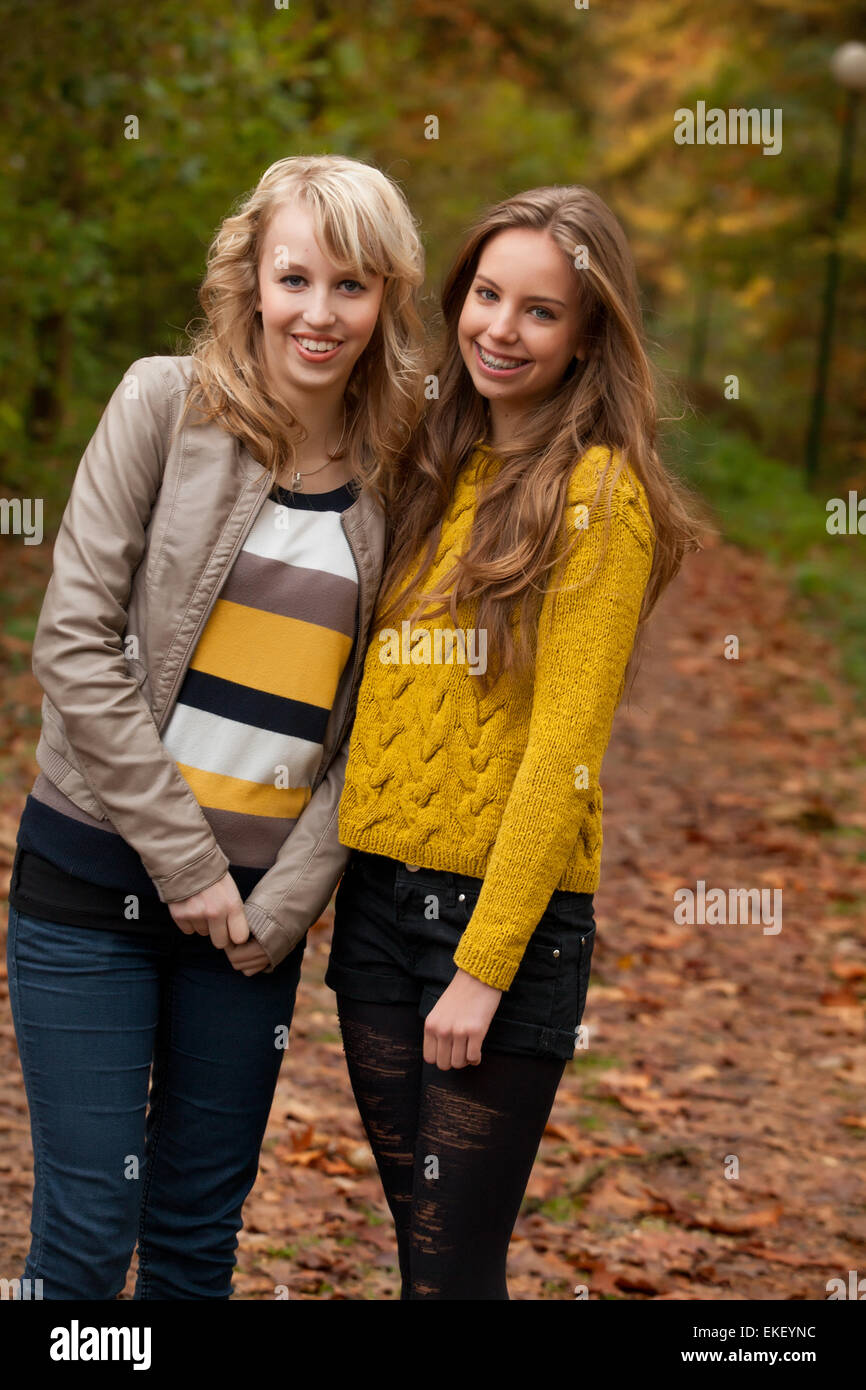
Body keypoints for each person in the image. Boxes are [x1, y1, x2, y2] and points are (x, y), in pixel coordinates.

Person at [6, 154, 425, 1299]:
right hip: (92, 889)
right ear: (250, 275)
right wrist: (189, 866)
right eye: (295, 277)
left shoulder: (401, 473)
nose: (319, 312)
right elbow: (74, 648)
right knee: (86, 1245)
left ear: (386, 297)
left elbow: (381, 723)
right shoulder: (161, 403)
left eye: (352, 285)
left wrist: (285, 902)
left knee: (196, 1246)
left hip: (251, 934)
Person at [326, 184, 705, 1299]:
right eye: (486, 295)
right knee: (422, 1256)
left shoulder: (598, 496)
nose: (499, 327)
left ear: (589, 333)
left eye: (539, 311)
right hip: (377, 912)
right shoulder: (432, 467)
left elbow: (564, 754)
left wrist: (483, 968)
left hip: (499, 932)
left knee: (452, 1270)